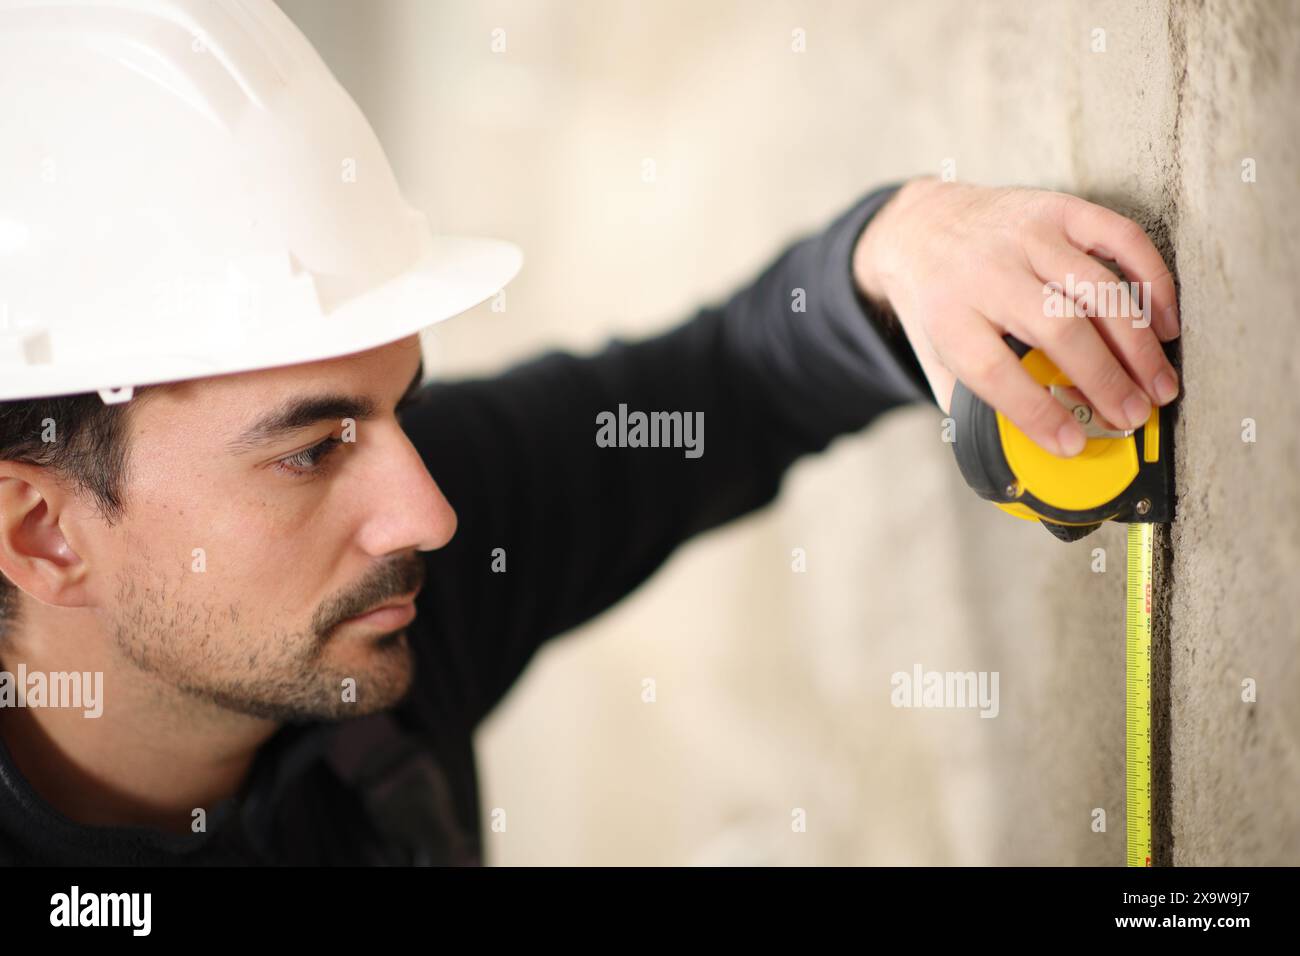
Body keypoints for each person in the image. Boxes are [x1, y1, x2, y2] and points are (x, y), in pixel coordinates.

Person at [0, 0, 1180, 865]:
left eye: (401, 405)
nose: (433, 512)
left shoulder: (369, 586)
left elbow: (730, 380)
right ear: (43, 530)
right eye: (311, 449)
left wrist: (896, 253)